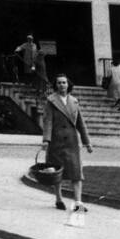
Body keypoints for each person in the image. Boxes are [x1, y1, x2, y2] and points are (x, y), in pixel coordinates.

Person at [41, 73, 93, 221]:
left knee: (76, 172)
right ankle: (58, 198)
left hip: (71, 142)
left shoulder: (74, 101)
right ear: (55, 85)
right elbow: (48, 121)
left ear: (68, 84)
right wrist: (46, 140)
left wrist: (87, 142)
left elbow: (80, 124)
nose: (62, 85)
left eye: (64, 83)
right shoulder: (51, 101)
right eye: (59, 83)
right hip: (56, 142)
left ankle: (78, 202)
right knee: (57, 172)